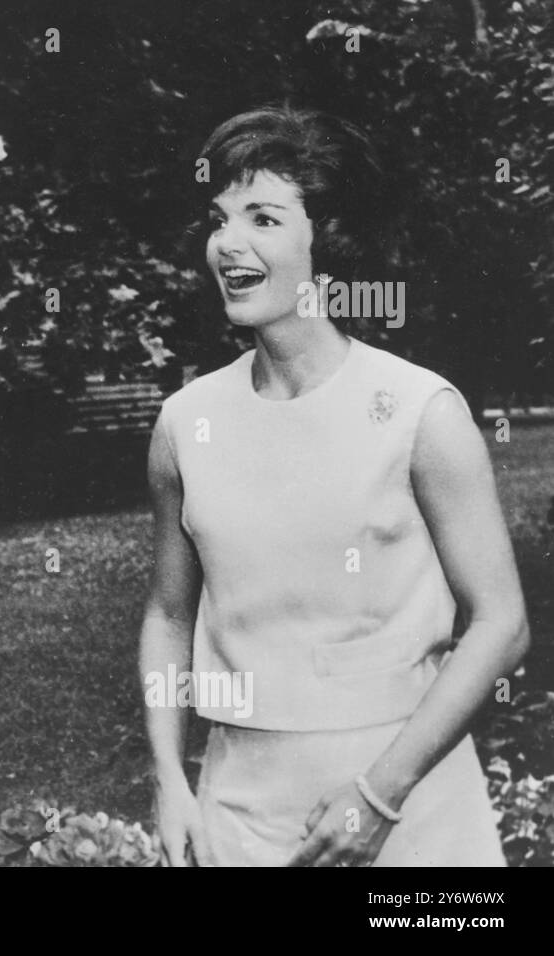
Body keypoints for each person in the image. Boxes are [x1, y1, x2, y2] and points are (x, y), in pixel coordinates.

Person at [140, 105, 530, 867]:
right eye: (219, 219)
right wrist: (168, 779)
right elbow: (166, 613)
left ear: (331, 238)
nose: (228, 244)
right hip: (242, 814)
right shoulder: (186, 424)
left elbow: (502, 623)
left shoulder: (421, 412)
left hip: (413, 813)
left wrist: (380, 796)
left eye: (263, 216)